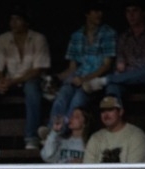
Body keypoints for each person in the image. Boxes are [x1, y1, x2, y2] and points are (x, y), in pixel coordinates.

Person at [88, 0, 145, 145]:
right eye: (128, 12)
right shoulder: (123, 37)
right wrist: (129, 73)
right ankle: (112, 132)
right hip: (127, 80)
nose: (131, 15)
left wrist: (137, 71)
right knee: (113, 87)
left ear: (143, 13)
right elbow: (120, 66)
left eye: (135, 11)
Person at [0, 5, 51, 150]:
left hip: (29, 82)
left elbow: (38, 69)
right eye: (12, 19)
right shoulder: (2, 39)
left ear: (26, 22)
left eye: (18, 19)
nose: (13, 23)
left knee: (32, 87)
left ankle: (31, 138)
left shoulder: (38, 39)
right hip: (8, 83)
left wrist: (12, 81)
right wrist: (0, 82)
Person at [41, 1, 115, 138]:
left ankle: (60, 133)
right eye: (95, 11)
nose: (99, 14)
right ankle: (52, 130)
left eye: (100, 11)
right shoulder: (76, 36)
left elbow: (106, 65)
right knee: (61, 98)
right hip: (76, 79)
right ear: (87, 14)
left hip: (94, 82)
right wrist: (55, 79)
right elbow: (72, 68)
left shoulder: (108, 33)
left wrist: (84, 79)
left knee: (77, 100)